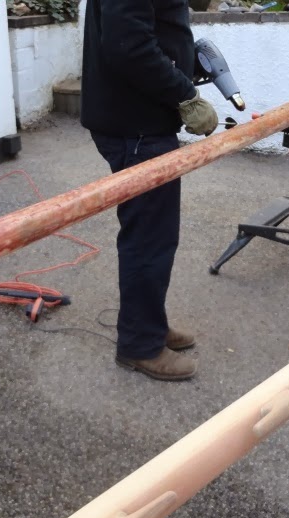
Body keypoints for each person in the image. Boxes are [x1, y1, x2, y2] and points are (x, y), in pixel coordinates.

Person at [81, 0, 219, 381]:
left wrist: (187, 61)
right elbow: (129, 47)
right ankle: (140, 345)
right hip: (135, 126)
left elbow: (149, 30)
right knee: (148, 237)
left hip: (138, 119)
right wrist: (184, 95)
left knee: (155, 234)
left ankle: (149, 325)